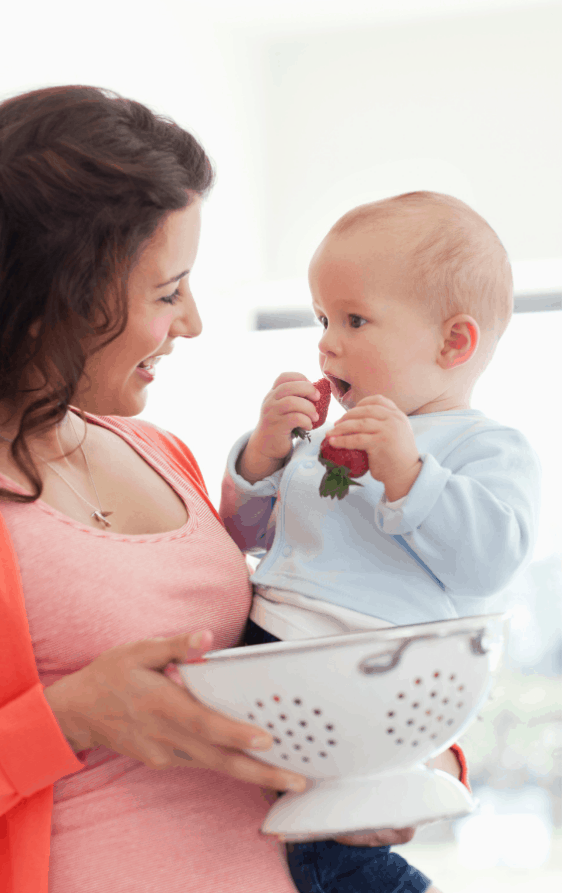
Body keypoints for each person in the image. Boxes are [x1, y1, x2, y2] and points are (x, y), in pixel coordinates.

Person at [0, 87, 461, 893]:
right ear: (50, 297)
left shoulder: (160, 453)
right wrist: (68, 717)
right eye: (167, 293)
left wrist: (411, 760)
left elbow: (291, 649)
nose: (191, 321)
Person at [220, 192, 542, 893]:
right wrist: (261, 456)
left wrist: (413, 476)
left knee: (339, 845)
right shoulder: (321, 442)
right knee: (300, 830)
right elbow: (238, 538)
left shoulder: (487, 446)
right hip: (275, 648)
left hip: (370, 673)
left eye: (354, 320)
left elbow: (488, 563)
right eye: (322, 319)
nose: (326, 343)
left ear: (452, 344)